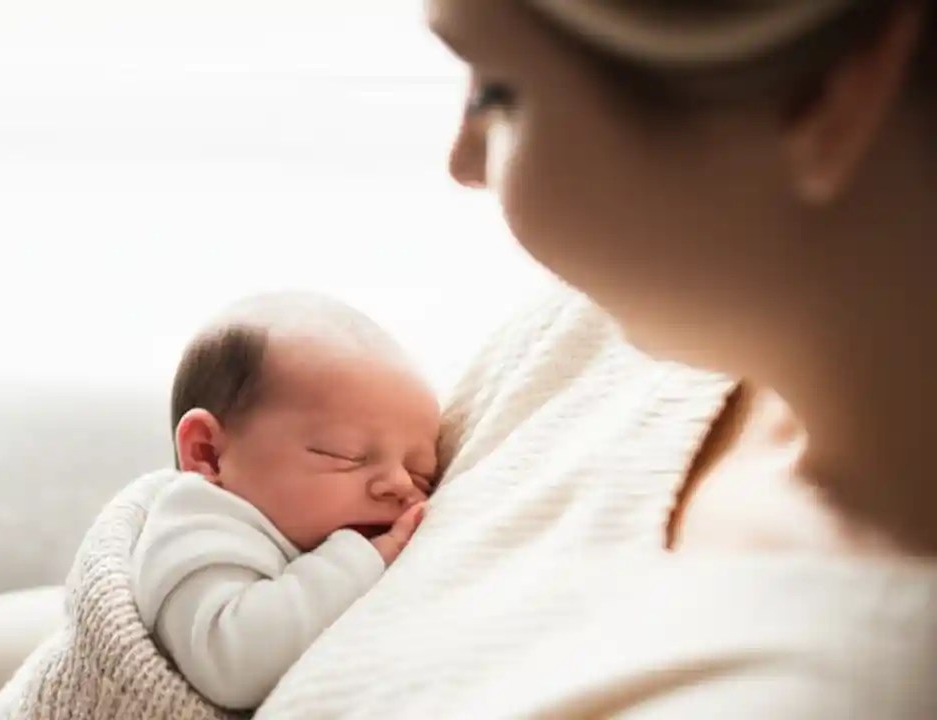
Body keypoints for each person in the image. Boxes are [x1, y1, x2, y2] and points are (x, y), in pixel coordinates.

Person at [257, 0, 937, 717]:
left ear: (825, 93)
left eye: (498, 90)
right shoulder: (621, 326)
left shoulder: (825, 691)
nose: (461, 161)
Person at [130, 292, 434, 709]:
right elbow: (232, 664)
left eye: (422, 472)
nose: (399, 484)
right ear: (208, 454)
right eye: (344, 454)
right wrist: (359, 558)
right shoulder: (196, 524)